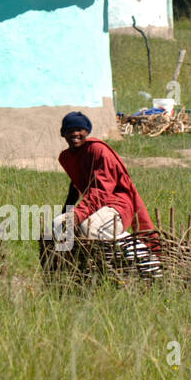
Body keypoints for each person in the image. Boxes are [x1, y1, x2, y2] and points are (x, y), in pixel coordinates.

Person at [51, 113, 159, 274]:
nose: (75, 134)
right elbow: (76, 185)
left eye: (79, 129)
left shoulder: (97, 150)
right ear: (63, 133)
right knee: (56, 224)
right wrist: (67, 213)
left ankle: (148, 261)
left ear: (87, 132)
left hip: (117, 203)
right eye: (70, 130)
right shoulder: (66, 157)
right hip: (95, 204)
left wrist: (78, 214)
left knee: (90, 227)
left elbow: (101, 190)